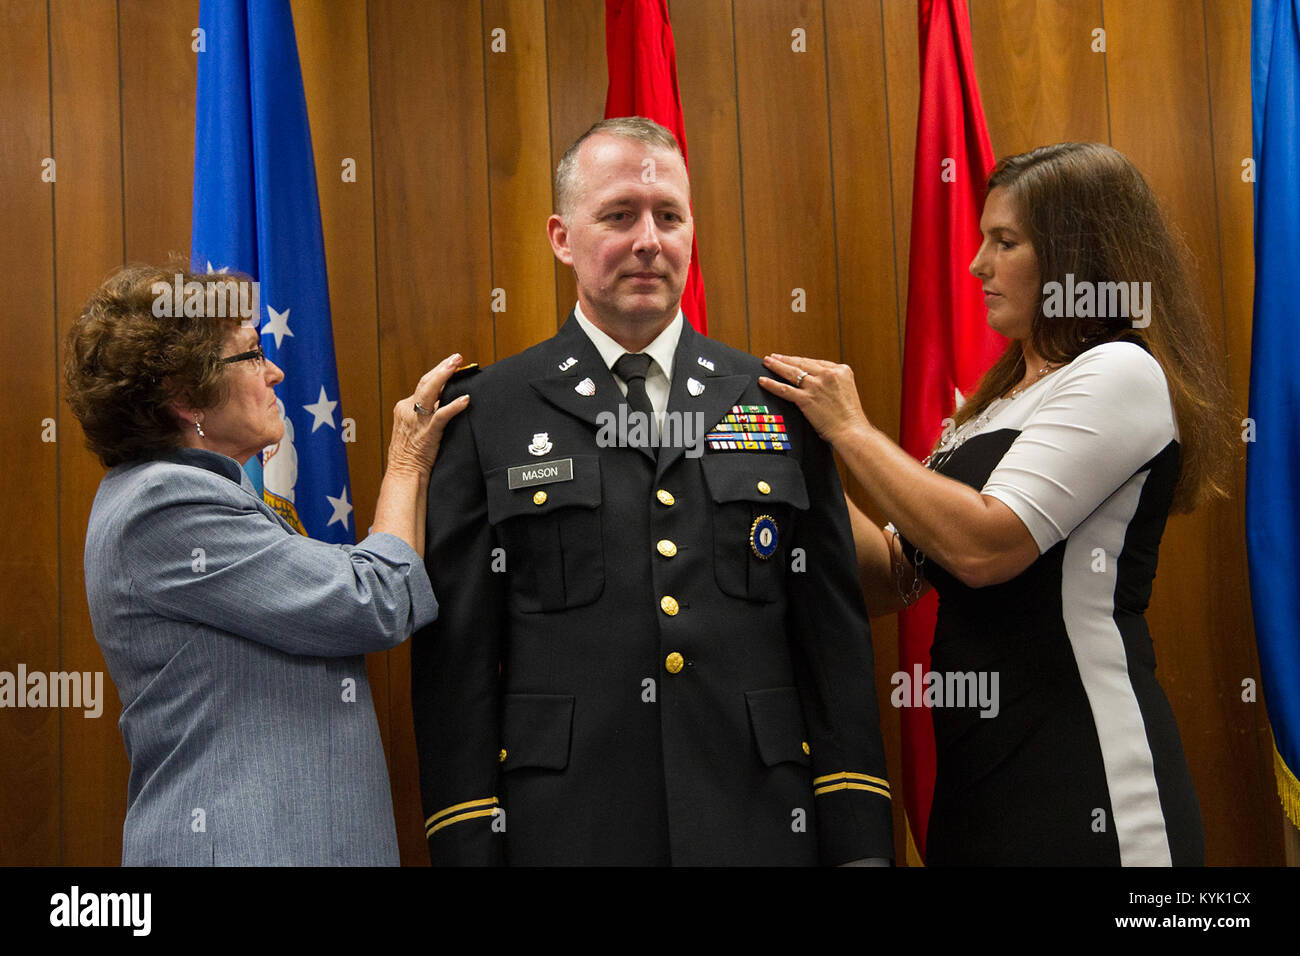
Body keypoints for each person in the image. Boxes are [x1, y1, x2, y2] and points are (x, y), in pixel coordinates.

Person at [411, 117, 893, 866]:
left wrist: (859, 838)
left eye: (669, 216)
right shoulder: (491, 412)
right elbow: (458, 664)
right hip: (567, 828)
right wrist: (469, 841)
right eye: (619, 215)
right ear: (562, 236)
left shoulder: (776, 401)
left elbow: (832, 641)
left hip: (758, 819)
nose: (649, 240)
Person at [760, 142, 1235, 866]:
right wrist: (802, 459)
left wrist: (851, 429)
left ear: (1077, 254)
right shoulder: (988, 407)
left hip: (1084, 774)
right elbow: (893, 573)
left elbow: (986, 547)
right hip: (979, 774)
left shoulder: (1120, 371)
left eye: (1004, 241)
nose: (978, 264)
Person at [65, 263, 468, 865]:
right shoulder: (163, 504)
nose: (276, 371)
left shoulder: (186, 493)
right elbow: (374, 600)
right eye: (251, 355)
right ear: (182, 393)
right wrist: (407, 461)